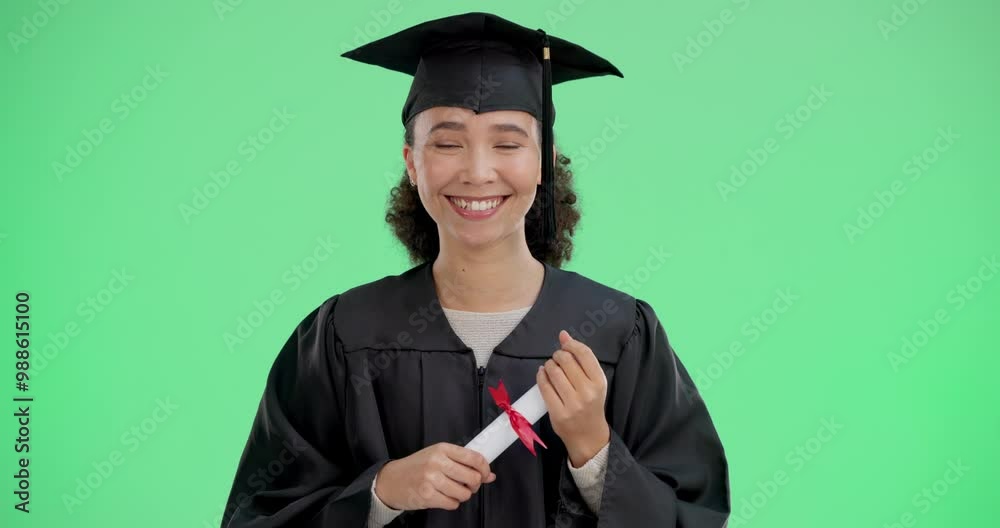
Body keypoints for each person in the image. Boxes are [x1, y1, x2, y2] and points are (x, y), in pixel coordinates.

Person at [221, 11, 730, 528]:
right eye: (447, 143)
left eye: (507, 144)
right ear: (411, 161)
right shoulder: (343, 336)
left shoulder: (619, 333)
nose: (478, 172)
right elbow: (257, 516)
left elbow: (695, 515)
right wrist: (381, 492)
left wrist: (594, 450)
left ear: (543, 163)